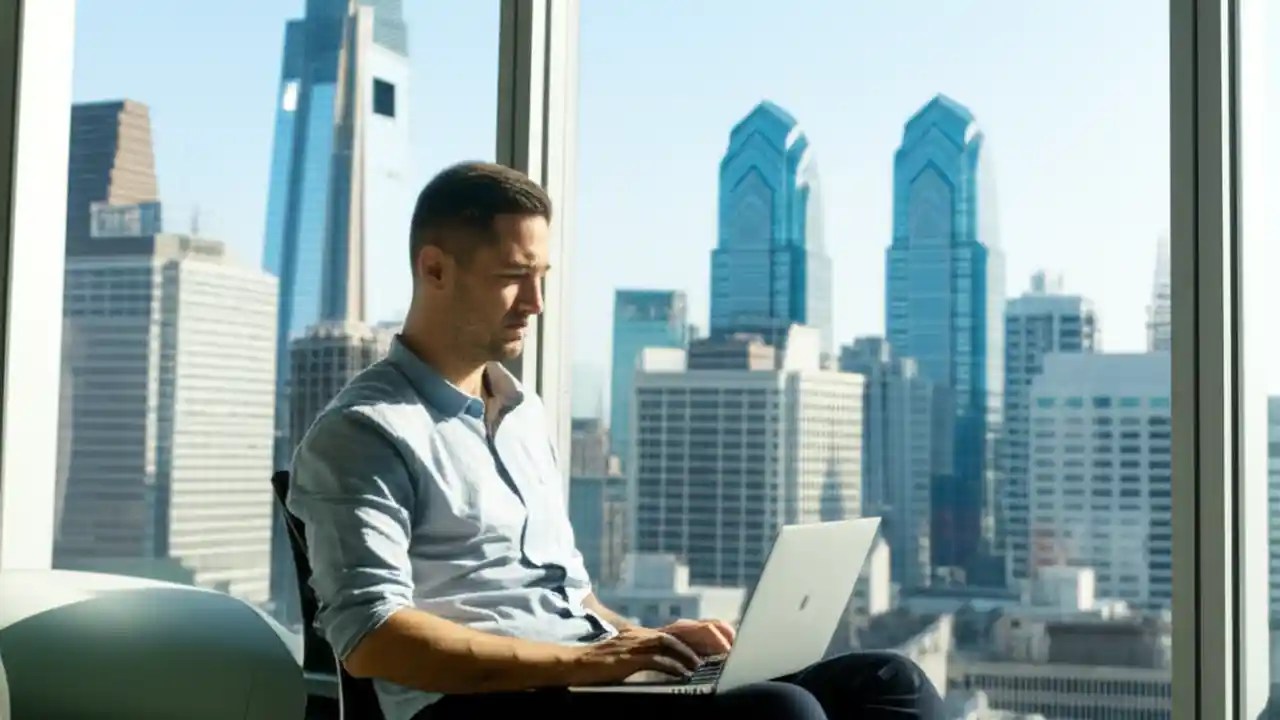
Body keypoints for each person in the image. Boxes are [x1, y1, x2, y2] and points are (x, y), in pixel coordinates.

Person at [288, 161, 945, 720]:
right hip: (475, 705)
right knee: (784, 712)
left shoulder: (523, 414)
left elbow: (569, 599)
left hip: (584, 680)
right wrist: (588, 663)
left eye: (543, 273)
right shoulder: (363, 433)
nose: (537, 301)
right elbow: (372, 637)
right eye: (513, 275)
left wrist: (650, 641)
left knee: (892, 684)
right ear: (434, 270)